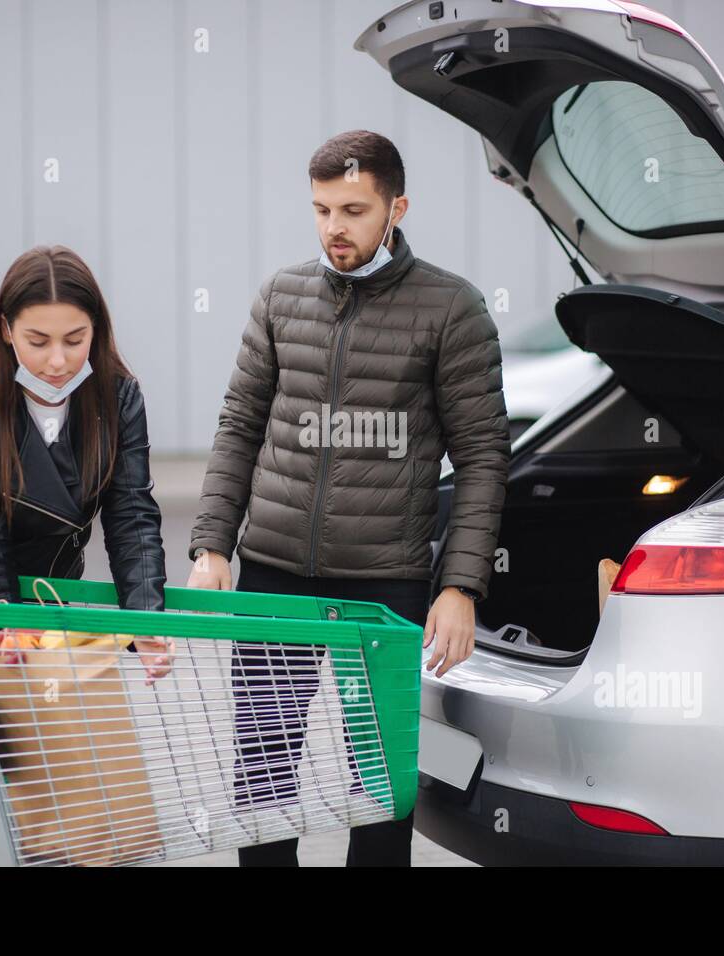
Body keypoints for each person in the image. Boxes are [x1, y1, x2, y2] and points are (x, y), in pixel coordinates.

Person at [188, 130, 510, 867]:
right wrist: (212, 546)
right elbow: (239, 425)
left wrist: (460, 585)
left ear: (396, 207)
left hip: (385, 582)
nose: (335, 227)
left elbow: (485, 456)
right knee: (262, 778)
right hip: (272, 572)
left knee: (380, 789)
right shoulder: (281, 294)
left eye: (354, 210)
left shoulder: (450, 309)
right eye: (322, 208)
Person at [0, 245, 170, 858]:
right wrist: (2, 617)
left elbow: (131, 513)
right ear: (5, 330)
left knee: (41, 798)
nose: (57, 360)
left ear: (96, 331)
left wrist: (143, 617)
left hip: (41, 619)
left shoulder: (118, 397)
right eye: (37, 340)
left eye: (75, 339)